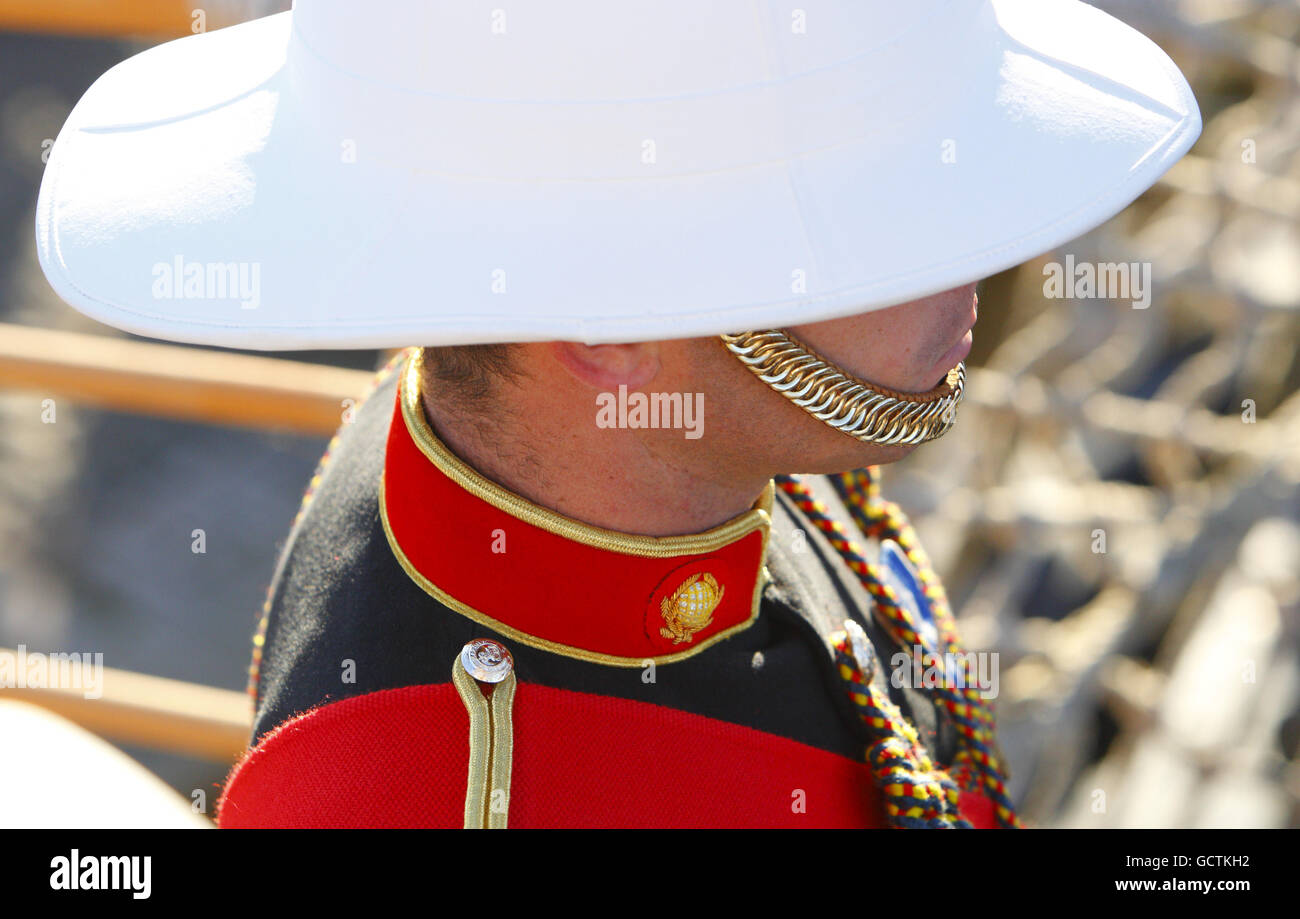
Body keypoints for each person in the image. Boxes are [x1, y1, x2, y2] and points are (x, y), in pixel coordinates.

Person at [35, 0, 1201, 828]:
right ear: (605, 331)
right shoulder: (434, 795)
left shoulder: (664, 454)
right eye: (888, 226)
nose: (984, 257)